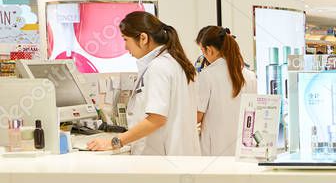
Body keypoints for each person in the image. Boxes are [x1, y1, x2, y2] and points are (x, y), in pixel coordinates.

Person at [87, 12, 200, 155]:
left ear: (143, 38)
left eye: (125, 39)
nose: (125, 47)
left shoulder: (158, 67)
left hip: (163, 158)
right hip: (179, 155)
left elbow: (157, 119)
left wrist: (114, 142)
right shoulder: (176, 63)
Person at [195, 26, 257, 157]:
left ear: (209, 50)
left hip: (215, 149)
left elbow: (197, 116)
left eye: (203, 51)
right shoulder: (250, 76)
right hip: (243, 148)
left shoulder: (207, 75)